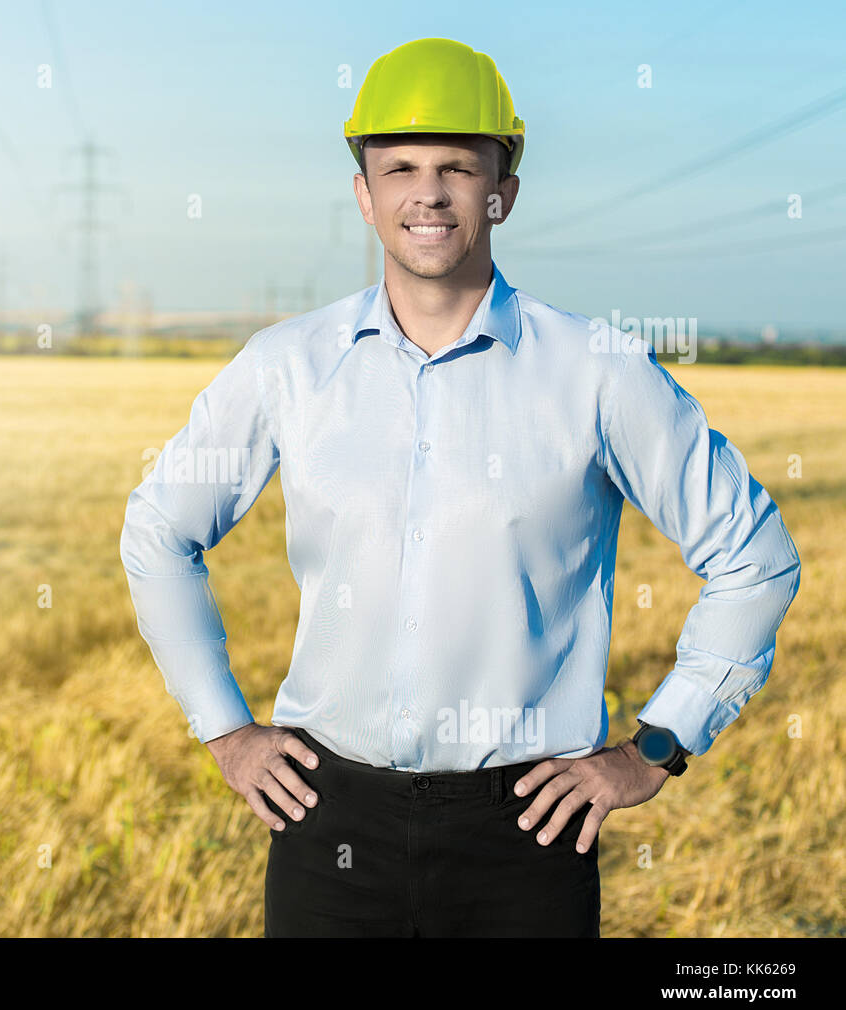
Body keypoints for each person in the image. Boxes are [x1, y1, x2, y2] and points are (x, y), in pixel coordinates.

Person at [118, 37, 801, 937]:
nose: (427, 193)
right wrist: (224, 729)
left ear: (502, 192)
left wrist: (657, 747)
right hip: (328, 827)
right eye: (398, 166)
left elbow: (754, 557)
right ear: (365, 194)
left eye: (456, 167)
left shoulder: (597, 371)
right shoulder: (286, 366)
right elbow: (159, 528)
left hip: (525, 836)